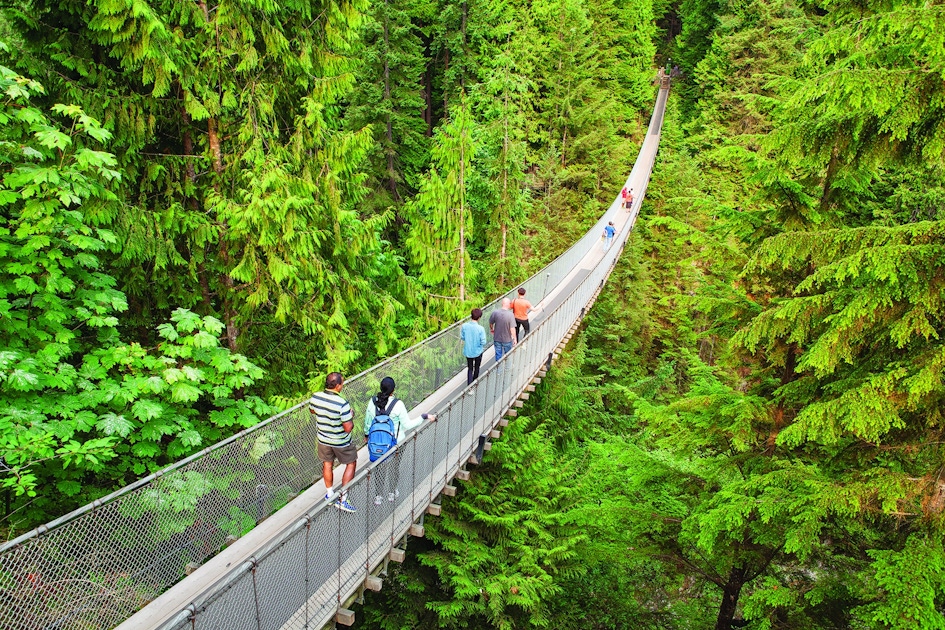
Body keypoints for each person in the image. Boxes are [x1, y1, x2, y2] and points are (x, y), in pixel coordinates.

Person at [364, 377, 434, 505]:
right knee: (394, 466)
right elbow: (407, 425)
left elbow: (368, 422)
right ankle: (391, 493)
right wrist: (423, 416)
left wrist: (366, 435)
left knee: (380, 468)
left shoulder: (372, 401)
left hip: (376, 443)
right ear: (393, 390)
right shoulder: (398, 404)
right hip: (396, 443)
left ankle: (378, 496)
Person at [311, 372, 357, 512]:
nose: (342, 386)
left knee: (327, 464)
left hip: (323, 439)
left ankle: (330, 494)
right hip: (341, 441)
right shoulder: (342, 403)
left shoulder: (315, 397)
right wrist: (350, 415)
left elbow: (313, 411)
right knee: (351, 462)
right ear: (337, 386)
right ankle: (343, 498)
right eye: (342, 383)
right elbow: (348, 428)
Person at [461, 308, 487, 384]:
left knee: (470, 368)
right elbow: (483, 341)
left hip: (468, 351)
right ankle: (475, 381)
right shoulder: (481, 329)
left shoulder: (464, 326)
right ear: (479, 318)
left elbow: (462, 337)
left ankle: (469, 386)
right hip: (478, 351)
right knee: (477, 367)